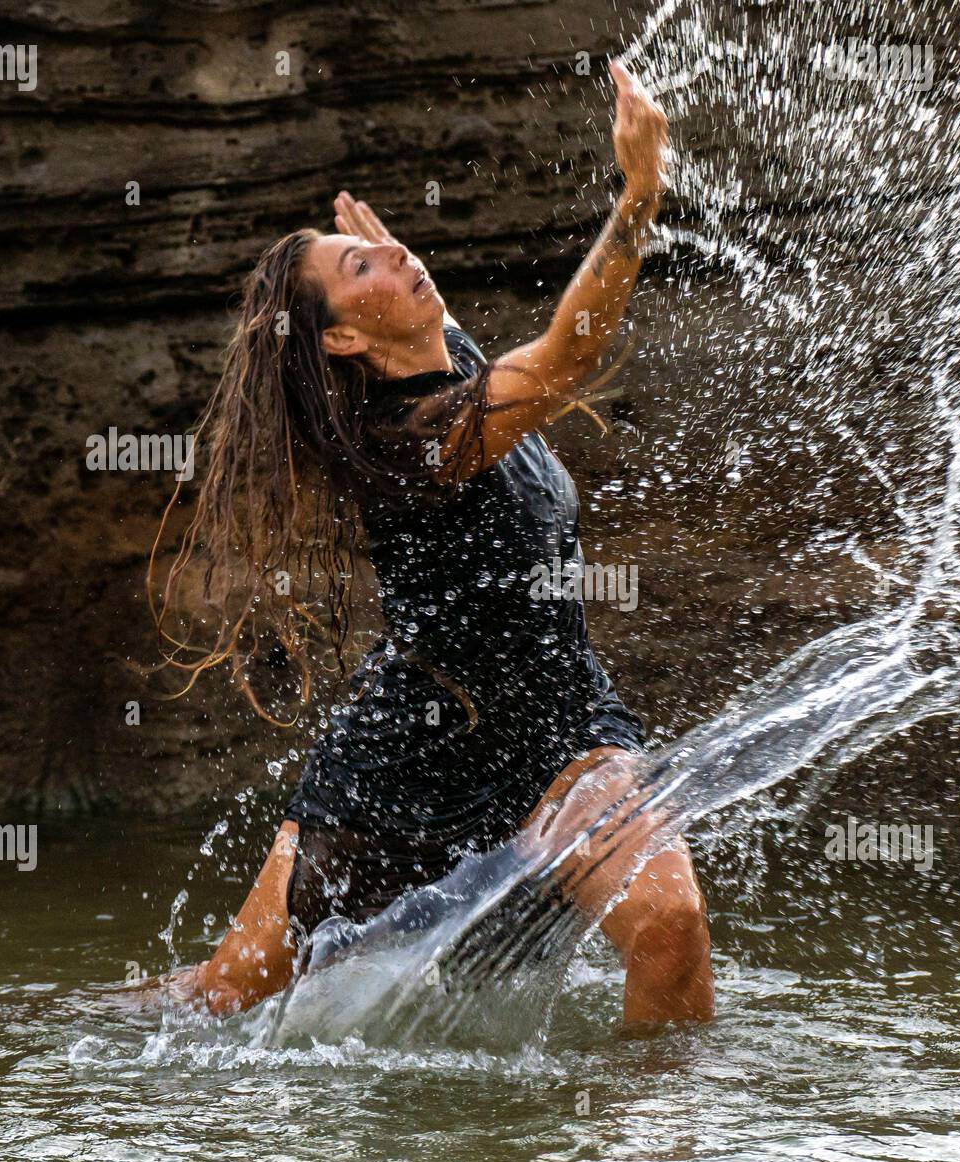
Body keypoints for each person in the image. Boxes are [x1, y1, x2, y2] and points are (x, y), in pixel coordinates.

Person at [149, 60, 713, 1030]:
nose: (397, 254)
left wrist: (390, 271)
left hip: (558, 726)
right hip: (405, 759)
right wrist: (638, 197)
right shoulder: (412, 440)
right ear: (338, 343)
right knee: (217, 997)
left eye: (380, 249)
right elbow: (568, 354)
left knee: (670, 923)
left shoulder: (444, 355)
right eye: (359, 268)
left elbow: (448, 325)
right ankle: (12, 1045)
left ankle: (653, 1133)